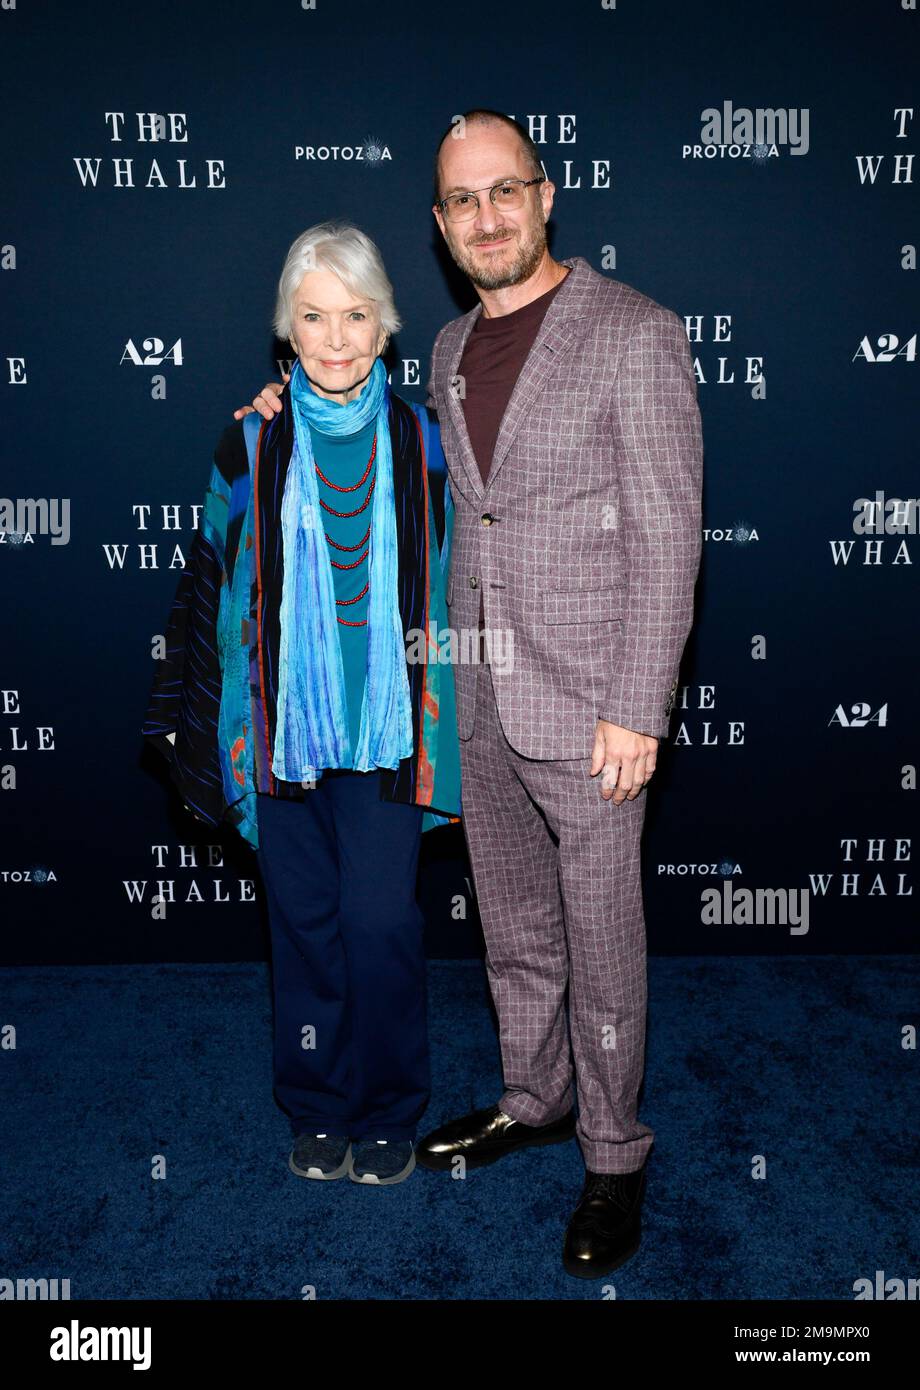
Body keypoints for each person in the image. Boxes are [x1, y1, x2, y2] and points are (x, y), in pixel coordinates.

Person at [239, 109, 703, 1277]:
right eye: (461, 202)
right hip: (470, 697)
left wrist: (638, 703)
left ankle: (612, 1152)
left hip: (591, 698)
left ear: (544, 196)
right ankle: (533, 1096)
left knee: (600, 936)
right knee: (514, 927)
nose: (486, 216)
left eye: (505, 191)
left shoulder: (632, 332)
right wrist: (270, 413)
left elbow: (666, 532)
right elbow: (411, 482)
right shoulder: (441, 355)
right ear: (441, 228)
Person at [142, 220, 461, 1188]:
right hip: (279, 736)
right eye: (314, 316)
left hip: (389, 732)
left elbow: (462, 577)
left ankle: (391, 1105)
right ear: (287, 327)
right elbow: (211, 586)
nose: (334, 337)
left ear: (385, 324)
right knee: (303, 927)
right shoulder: (248, 440)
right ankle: (318, 1103)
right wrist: (217, 731)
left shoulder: (426, 439)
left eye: (354, 314)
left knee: (380, 924)